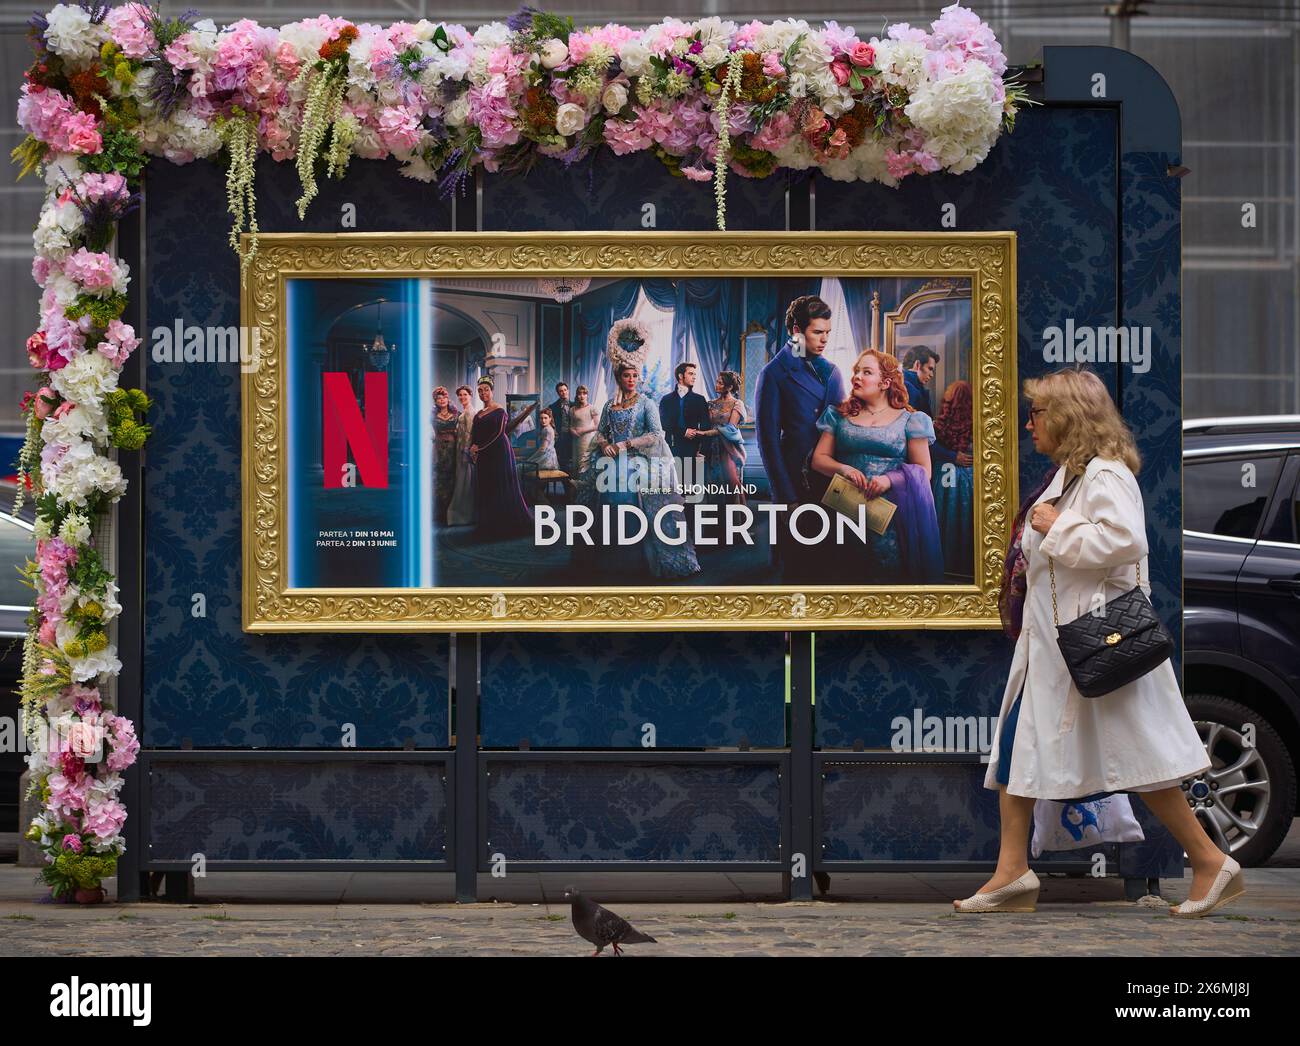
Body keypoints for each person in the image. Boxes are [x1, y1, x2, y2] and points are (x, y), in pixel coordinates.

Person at [958, 366, 1233, 917]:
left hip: (1096, 644)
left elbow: (1124, 543)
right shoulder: (1072, 475)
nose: (1030, 423)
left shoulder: (1105, 475)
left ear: (1065, 417)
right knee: (1017, 745)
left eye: (1037, 413)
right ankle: (1012, 871)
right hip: (1058, 647)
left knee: (1142, 760)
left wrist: (1051, 526)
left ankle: (1209, 860)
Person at [809, 349, 942, 583]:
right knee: (841, 576)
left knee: (886, 576)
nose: (856, 377)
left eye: (866, 372)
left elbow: (924, 470)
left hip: (890, 516)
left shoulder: (911, 420)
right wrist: (844, 469)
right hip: (843, 510)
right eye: (856, 371)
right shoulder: (839, 415)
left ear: (885, 382)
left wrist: (889, 479)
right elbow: (819, 459)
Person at [576, 358, 700, 580]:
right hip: (611, 464)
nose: (631, 380)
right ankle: (610, 561)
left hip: (638, 462)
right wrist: (604, 444)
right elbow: (601, 431)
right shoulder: (608, 405)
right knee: (609, 508)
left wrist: (625, 444)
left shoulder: (646, 403)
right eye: (626, 376)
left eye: (634, 375)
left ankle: (639, 564)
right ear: (618, 377)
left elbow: (656, 435)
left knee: (631, 506)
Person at [754, 295, 846, 572]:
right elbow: (768, 441)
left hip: (832, 477)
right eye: (817, 332)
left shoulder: (832, 372)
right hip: (795, 480)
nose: (824, 339)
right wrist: (786, 497)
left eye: (828, 333)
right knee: (798, 565)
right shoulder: (773, 373)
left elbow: (843, 428)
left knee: (833, 563)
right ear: (796, 331)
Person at [469, 377, 534, 539]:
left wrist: (480, 448)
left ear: (492, 391)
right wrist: (473, 448)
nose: (483, 393)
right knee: (487, 487)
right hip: (483, 454)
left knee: (500, 486)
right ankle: (489, 525)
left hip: (499, 452)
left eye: (486, 390)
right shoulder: (478, 414)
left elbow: (498, 434)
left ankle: (504, 525)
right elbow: (475, 435)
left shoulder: (499, 411)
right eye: (480, 391)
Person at [930, 380, 975, 578]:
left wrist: (948, 455)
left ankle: (943, 565)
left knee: (943, 518)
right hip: (967, 480)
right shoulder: (977, 426)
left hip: (942, 478)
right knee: (963, 520)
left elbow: (930, 447)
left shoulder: (936, 426)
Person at [697, 369, 747, 506]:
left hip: (728, 448)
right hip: (711, 448)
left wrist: (706, 433)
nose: (716, 385)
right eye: (717, 381)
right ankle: (715, 524)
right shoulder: (710, 403)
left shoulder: (737, 404)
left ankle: (736, 520)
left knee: (731, 482)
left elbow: (730, 428)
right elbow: (704, 424)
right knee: (712, 482)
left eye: (720, 383)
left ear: (729, 387)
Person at [659, 362, 709, 467]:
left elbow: (706, 427)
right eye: (691, 374)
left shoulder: (699, 399)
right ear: (681, 376)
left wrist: (703, 451)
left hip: (694, 450)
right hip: (671, 448)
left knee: (694, 482)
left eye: (695, 374)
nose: (694, 377)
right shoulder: (666, 399)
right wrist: (684, 432)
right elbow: (664, 423)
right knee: (674, 482)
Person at [447, 385, 477, 526]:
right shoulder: (464, 411)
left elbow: (470, 434)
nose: (462, 397)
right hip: (459, 449)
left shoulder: (470, 412)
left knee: (465, 481)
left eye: (465, 394)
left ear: (470, 396)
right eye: (460, 395)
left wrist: (467, 452)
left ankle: (464, 514)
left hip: (465, 451)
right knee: (461, 479)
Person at [432, 386, 460, 526]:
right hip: (438, 448)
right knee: (438, 477)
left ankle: (450, 511)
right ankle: (438, 511)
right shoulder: (431, 415)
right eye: (439, 398)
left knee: (451, 476)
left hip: (452, 448)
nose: (442, 400)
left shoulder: (456, 415)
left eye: (444, 397)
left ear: (448, 399)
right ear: (436, 402)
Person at [569, 384, 599, 476]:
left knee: (584, 463)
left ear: (587, 395)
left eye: (584, 393)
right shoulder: (572, 409)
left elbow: (597, 426)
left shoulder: (592, 408)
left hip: (587, 440)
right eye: (579, 394)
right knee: (576, 463)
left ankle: (585, 487)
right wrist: (572, 430)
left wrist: (583, 430)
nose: (582, 396)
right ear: (577, 395)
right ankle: (576, 487)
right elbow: (571, 425)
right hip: (575, 440)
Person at [901, 346, 938, 417]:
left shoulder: (908, 385)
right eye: (930, 368)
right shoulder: (909, 388)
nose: (931, 375)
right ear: (918, 364)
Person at [547, 382, 574, 473]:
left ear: (568, 391)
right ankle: (566, 485)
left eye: (565, 390)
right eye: (561, 391)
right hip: (560, 438)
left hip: (574, 437)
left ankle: (572, 484)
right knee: (563, 463)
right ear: (558, 393)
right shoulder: (553, 407)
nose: (563, 392)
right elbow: (550, 424)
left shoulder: (575, 405)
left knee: (574, 463)